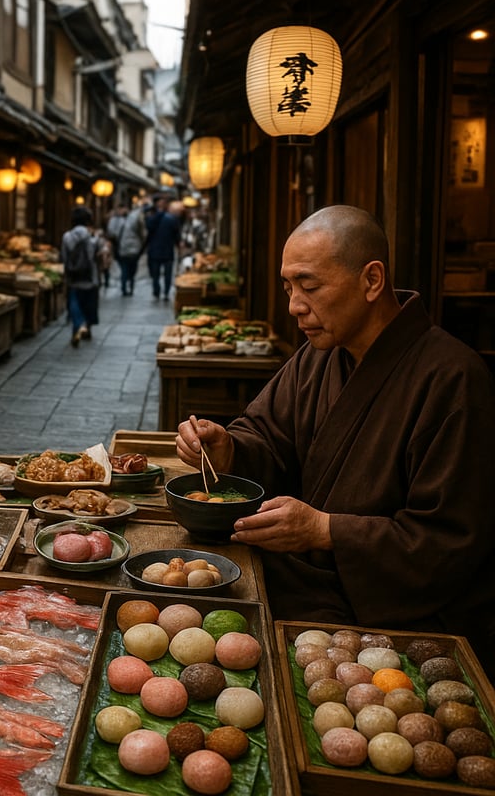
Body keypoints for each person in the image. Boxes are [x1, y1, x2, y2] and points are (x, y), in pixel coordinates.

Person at [175, 205, 495, 671]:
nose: (294, 306)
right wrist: (228, 447)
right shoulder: (321, 355)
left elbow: (449, 542)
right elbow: (267, 434)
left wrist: (326, 530)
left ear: (371, 280)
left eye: (310, 286)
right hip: (308, 579)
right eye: (289, 288)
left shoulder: (454, 379)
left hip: (391, 618)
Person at [60, 205, 104, 347]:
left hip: (73, 277)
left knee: (75, 303)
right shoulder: (93, 236)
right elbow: (100, 255)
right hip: (90, 277)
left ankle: (76, 328)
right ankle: (87, 329)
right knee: (89, 305)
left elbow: (64, 257)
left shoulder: (67, 236)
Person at [144, 192, 181, 300]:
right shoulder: (165, 218)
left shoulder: (154, 217)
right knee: (162, 274)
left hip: (160, 250)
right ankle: (162, 291)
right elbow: (177, 235)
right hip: (162, 250)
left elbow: (176, 234)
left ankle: (161, 292)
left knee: (160, 274)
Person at [115, 200, 147, 296]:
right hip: (133, 248)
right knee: (131, 269)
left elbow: (112, 232)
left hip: (123, 248)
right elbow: (142, 233)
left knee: (125, 269)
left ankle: (125, 288)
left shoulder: (117, 219)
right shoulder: (136, 217)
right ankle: (130, 287)